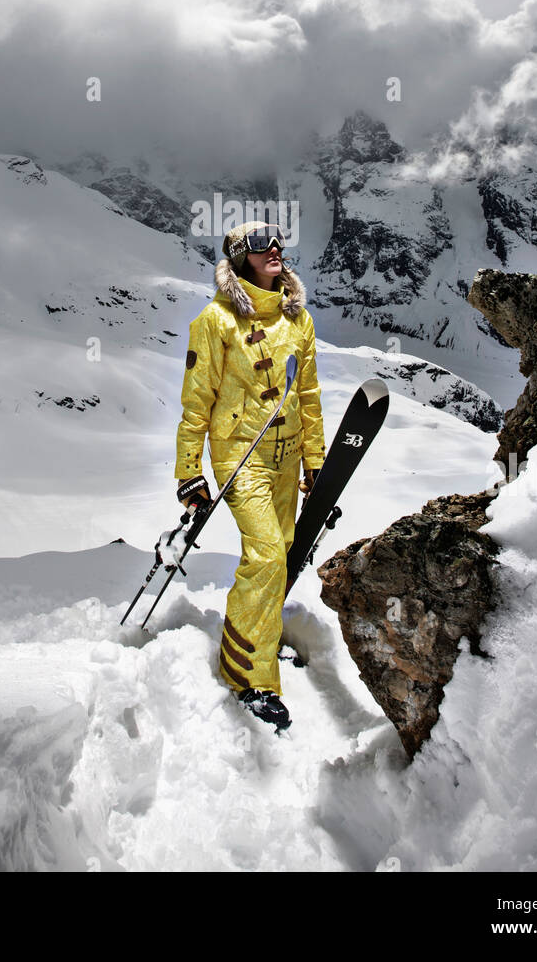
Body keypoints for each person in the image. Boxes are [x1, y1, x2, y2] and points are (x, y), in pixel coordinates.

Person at [174, 220, 326, 730]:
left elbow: (308, 396)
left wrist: (315, 461)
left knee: (281, 555)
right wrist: (189, 472)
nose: (274, 247)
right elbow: (196, 401)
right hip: (241, 456)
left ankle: (258, 639)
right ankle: (246, 675)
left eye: (278, 240)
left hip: (286, 457)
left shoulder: (298, 319)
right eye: (261, 244)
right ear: (241, 257)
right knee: (266, 556)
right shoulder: (215, 321)